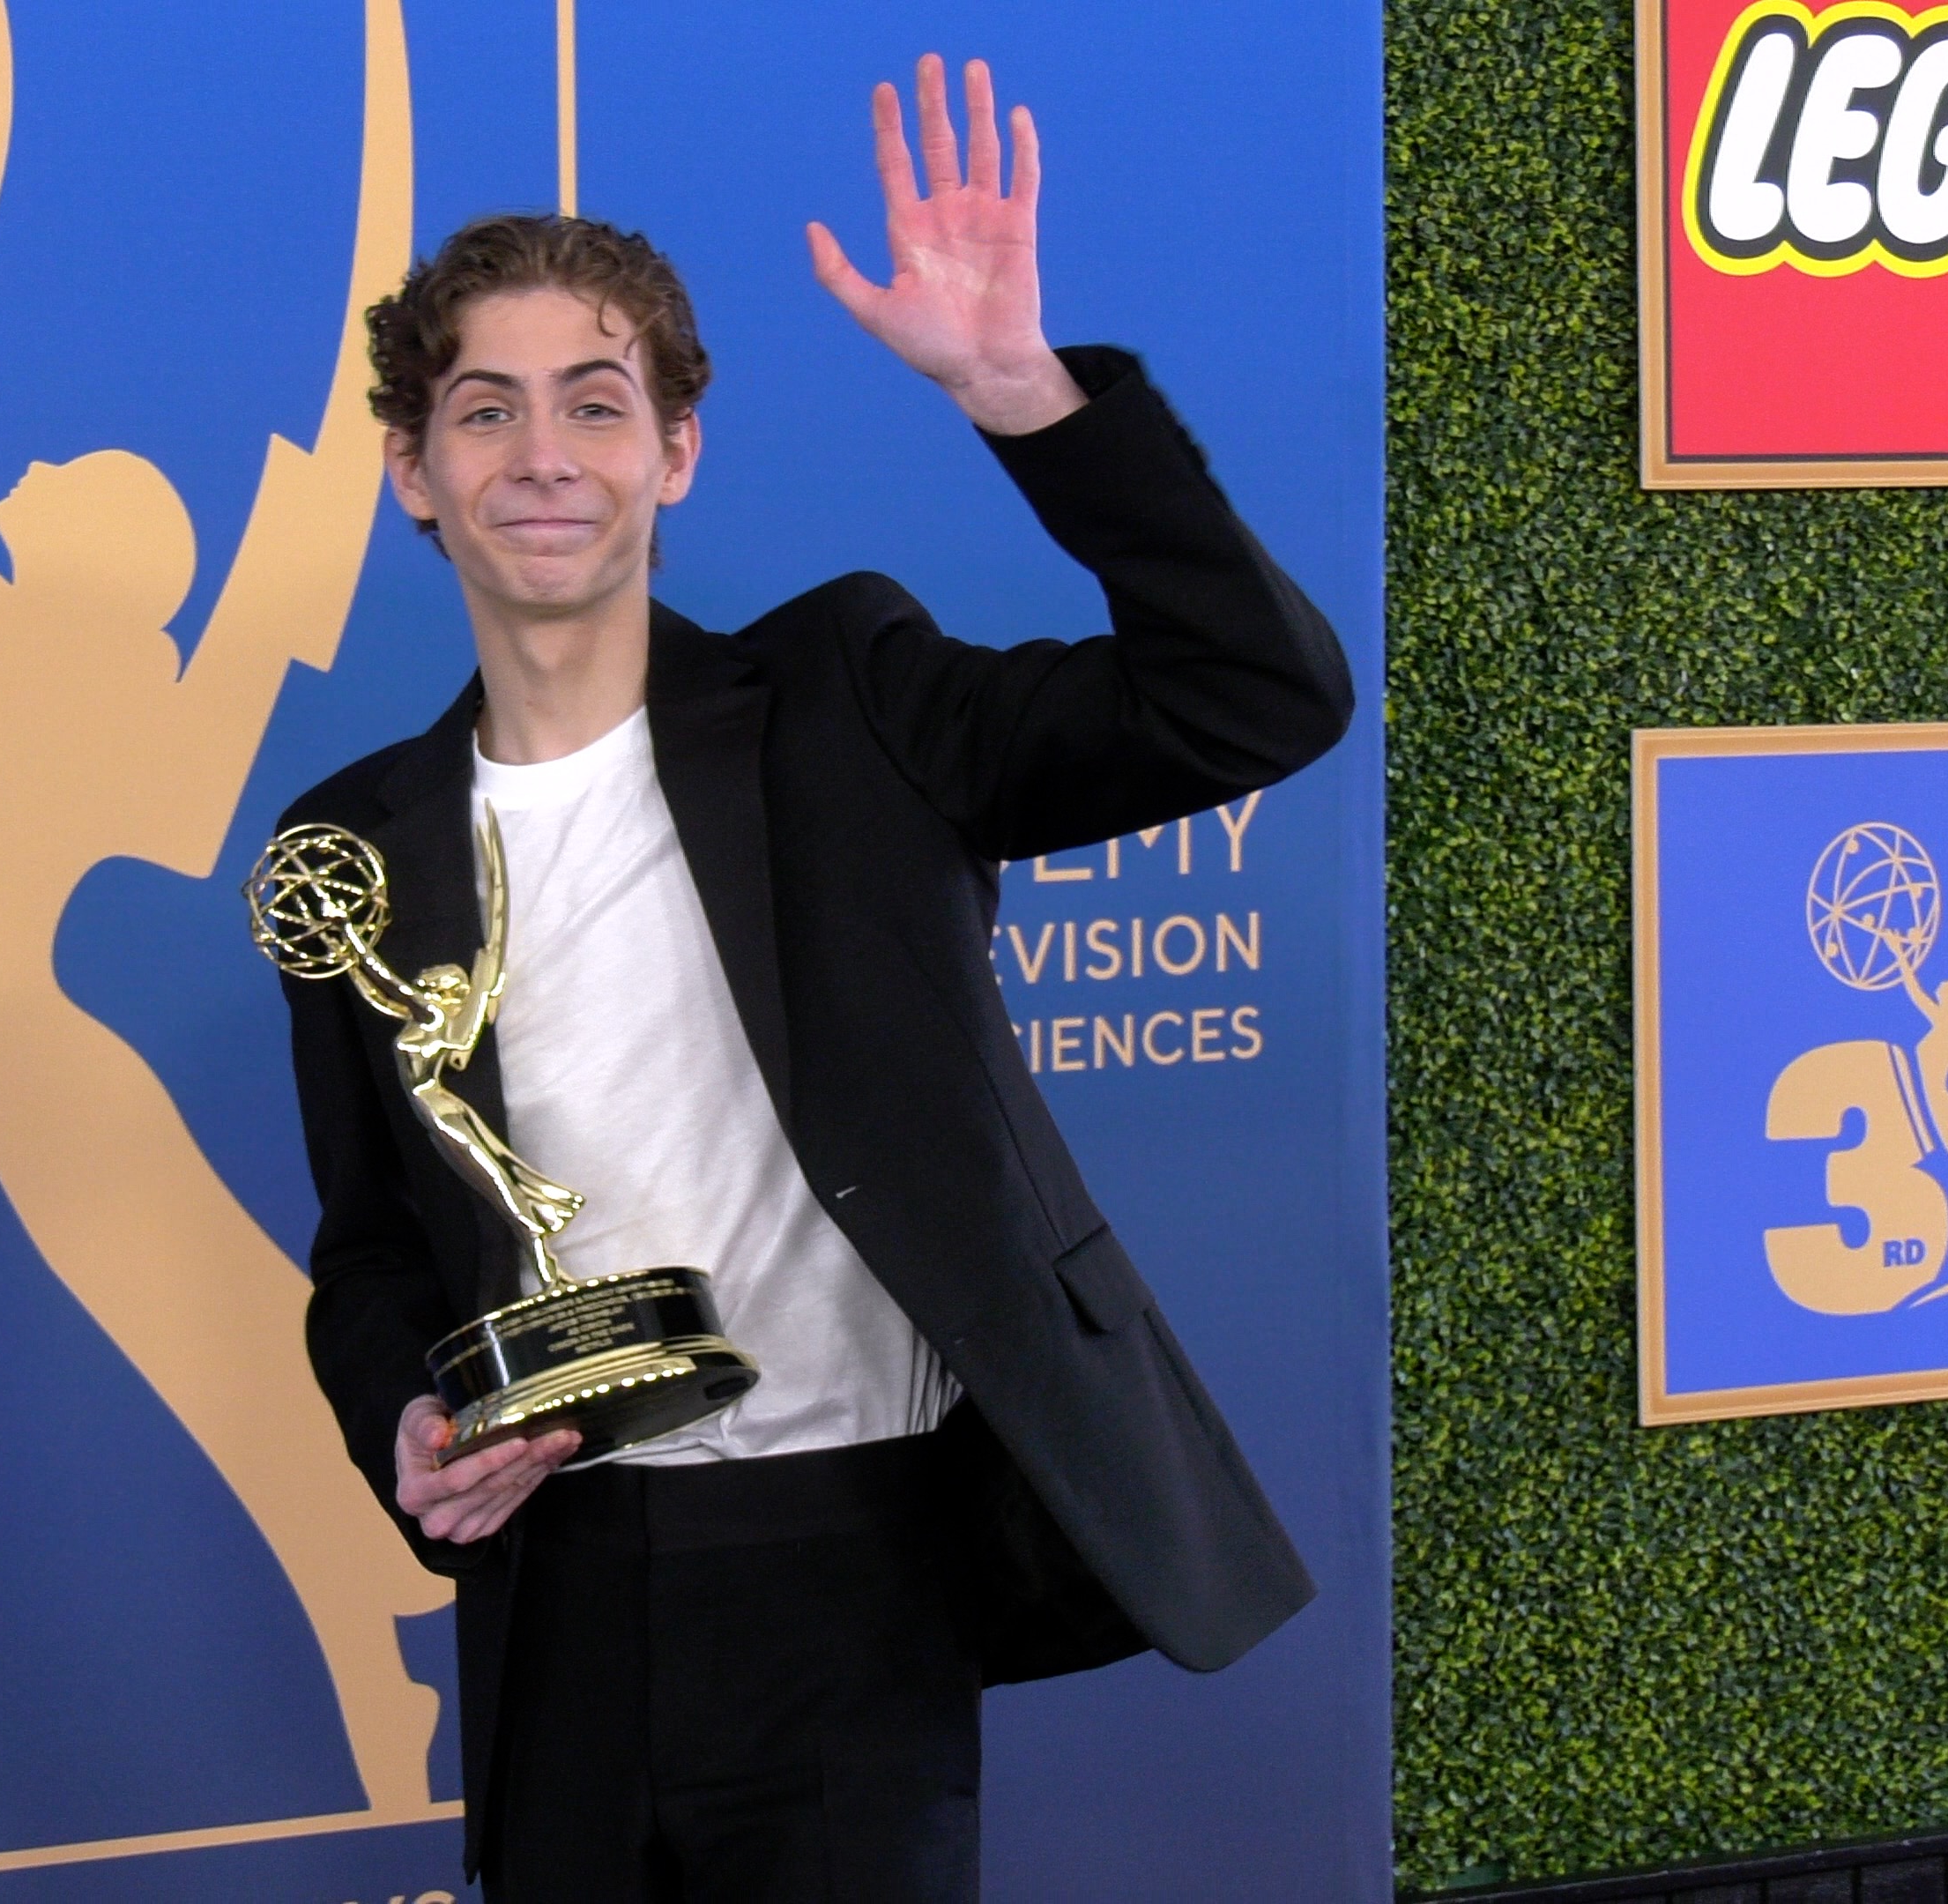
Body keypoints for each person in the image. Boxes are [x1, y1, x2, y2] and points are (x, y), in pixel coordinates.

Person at [279, 54, 1349, 1902]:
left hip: (858, 1561)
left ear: (675, 451)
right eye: (486, 410)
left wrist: (1027, 399)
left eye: (597, 405)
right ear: (415, 473)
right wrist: (408, 1418)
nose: (544, 455)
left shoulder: (852, 699)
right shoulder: (353, 845)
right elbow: (371, 1242)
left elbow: (1259, 693)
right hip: (561, 1571)